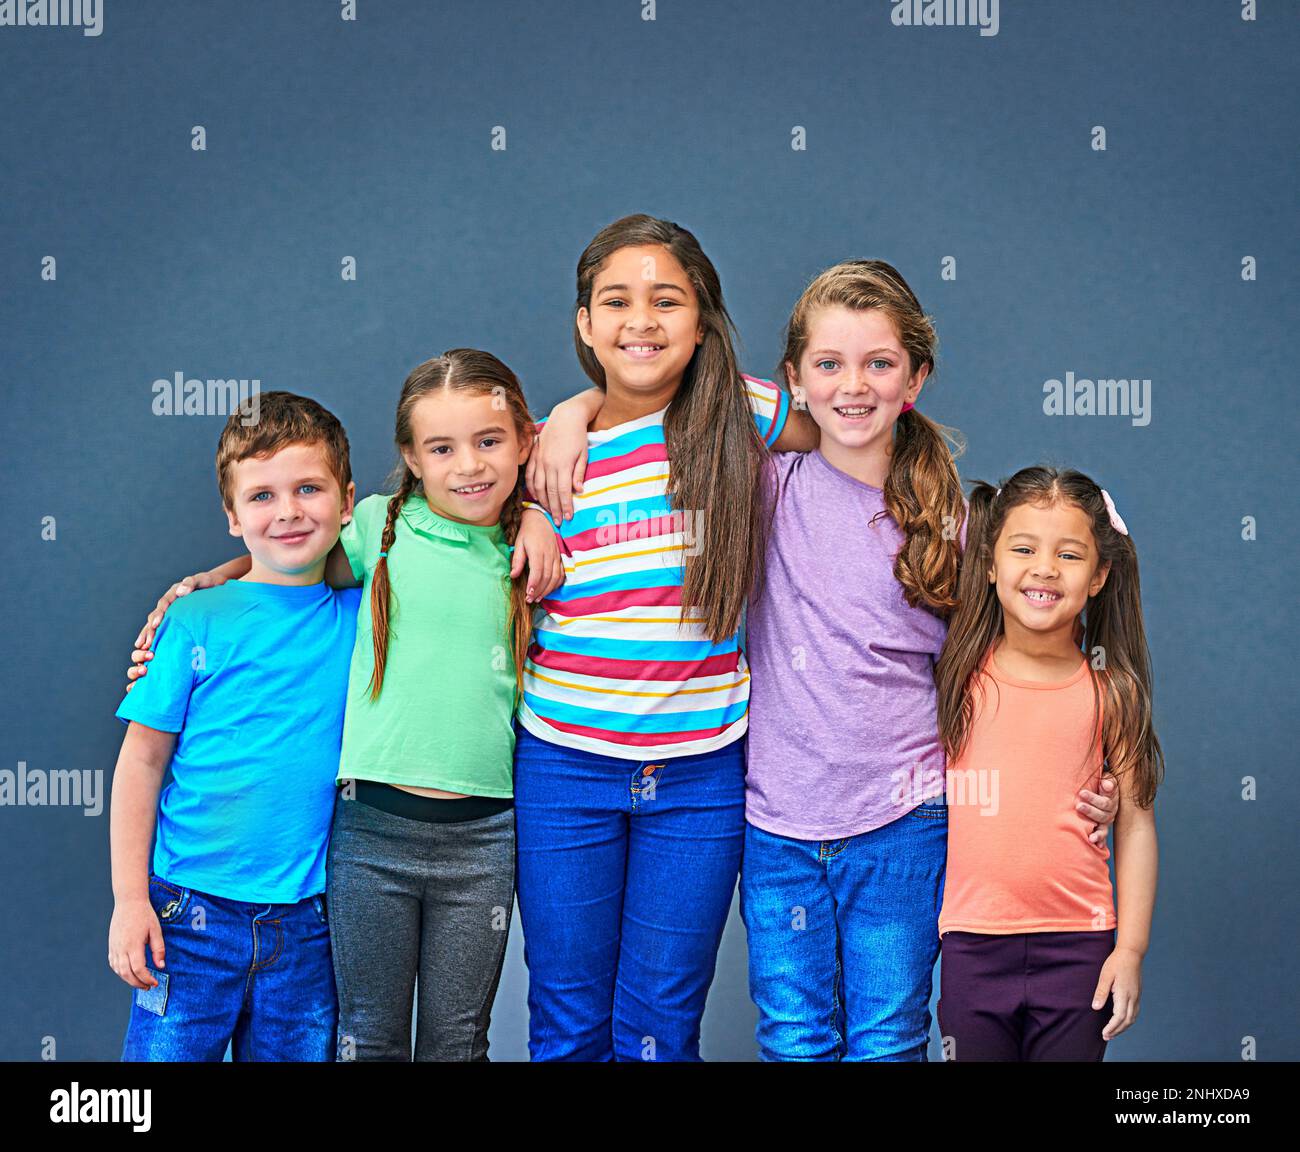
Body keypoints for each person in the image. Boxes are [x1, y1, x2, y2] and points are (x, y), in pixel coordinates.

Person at [124, 351, 563, 1060]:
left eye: (487, 442)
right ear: (410, 459)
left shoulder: (514, 550)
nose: (468, 464)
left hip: (464, 845)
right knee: (367, 1036)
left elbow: (300, 548)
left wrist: (537, 513)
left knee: (456, 1040)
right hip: (341, 848)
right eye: (441, 447)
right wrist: (209, 578)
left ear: (523, 442)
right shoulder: (377, 534)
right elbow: (287, 560)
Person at [740, 261, 1118, 1060]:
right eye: (828, 365)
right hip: (777, 824)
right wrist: (573, 414)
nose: (854, 386)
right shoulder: (767, 486)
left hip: (905, 827)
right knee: (793, 1040)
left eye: (879, 364)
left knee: (887, 1039)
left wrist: (1091, 767)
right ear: (793, 380)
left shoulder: (958, 520)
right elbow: (688, 395)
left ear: (916, 378)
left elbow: (1035, 643)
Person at [516, 213, 818, 1060]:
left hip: (699, 770)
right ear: (584, 325)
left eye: (667, 300)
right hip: (564, 762)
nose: (640, 322)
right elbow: (392, 534)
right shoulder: (544, 456)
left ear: (703, 318)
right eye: (615, 302)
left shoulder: (745, 416)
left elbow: (857, 427)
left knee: (659, 1022)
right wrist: (575, 410)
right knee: (568, 1015)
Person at [109, 391, 361, 1060]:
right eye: (261, 496)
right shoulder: (194, 621)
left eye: (309, 488)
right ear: (231, 514)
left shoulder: (363, 614)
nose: (287, 511)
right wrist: (129, 900)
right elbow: (140, 761)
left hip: (308, 923)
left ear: (347, 499)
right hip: (184, 917)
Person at [934, 467, 1161, 1061]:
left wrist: (1129, 951)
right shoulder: (955, 677)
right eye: (1024, 549)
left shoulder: (1113, 692)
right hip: (972, 947)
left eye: (1069, 554)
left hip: (1080, 948)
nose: (1044, 569)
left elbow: (1136, 823)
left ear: (1099, 576)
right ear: (989, 562)